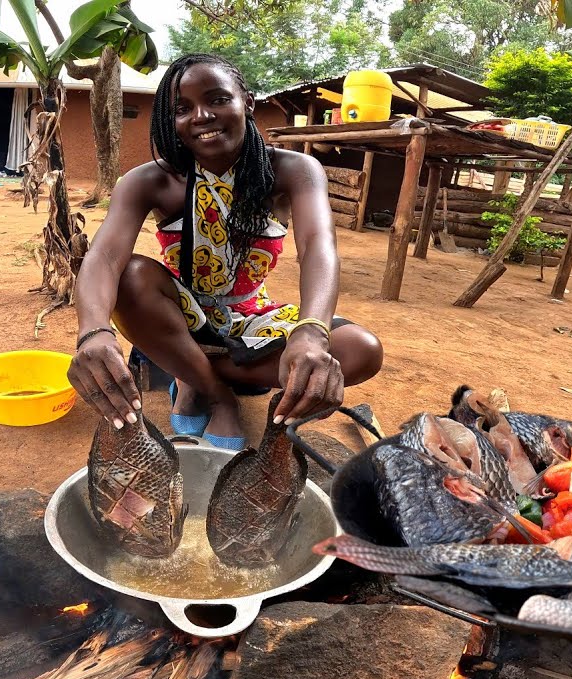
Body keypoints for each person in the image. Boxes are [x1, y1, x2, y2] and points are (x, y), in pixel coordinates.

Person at [67, 53, 383, 450]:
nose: (201, 116)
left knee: (362, 350)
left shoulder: (293, 170)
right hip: (181, 315)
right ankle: (219, 396)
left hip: (253, 317)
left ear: (247, 102)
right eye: (183, 109)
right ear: (172, 121)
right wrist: (93, 332)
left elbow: (319, 246)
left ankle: (189, 371)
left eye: (217, 99)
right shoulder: (151, 181)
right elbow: (105, 257)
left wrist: (312, 332)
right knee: (130, 276)